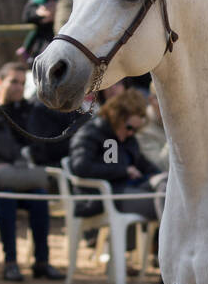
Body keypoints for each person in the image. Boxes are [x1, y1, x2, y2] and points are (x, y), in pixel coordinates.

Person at [0, 75, 60, 281]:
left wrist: (18, 166)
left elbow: (15, 152)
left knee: (39, 197)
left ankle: (42, 261)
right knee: (6, 199)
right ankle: (11, 262)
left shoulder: (0, 123)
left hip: (9, 178)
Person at [68, 89, 162, 220]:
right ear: (117, 117)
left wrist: (159, 176)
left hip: (128, 189)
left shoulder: (128, 138)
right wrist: (124, 171)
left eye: (135, 130)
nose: (131, 133)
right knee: (165, 205)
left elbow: (144, 165)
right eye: (129, 128)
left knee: (166, 188)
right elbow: (81, 166)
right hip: (101, 197)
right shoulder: (90, 133)